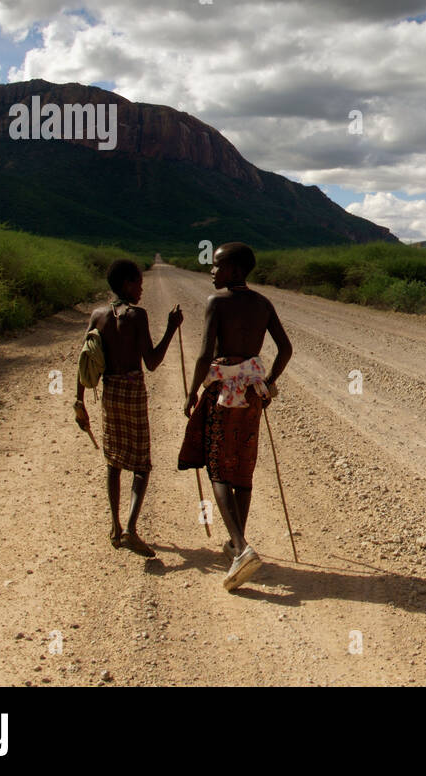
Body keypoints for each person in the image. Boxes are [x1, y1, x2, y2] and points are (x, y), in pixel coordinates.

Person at [179, 243, 292, 591]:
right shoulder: (262, 304)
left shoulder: (218, 303)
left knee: (216, 466)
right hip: (252, 394)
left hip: (223, 393)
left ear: (235, 270)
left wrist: (192, 391)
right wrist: (268, 383)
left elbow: (203, 355)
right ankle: (235, 544)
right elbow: (286, 348)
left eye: (217, 266)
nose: (212, 271)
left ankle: (241, 548)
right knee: (241, 466)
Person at [75, 259, 182, 557]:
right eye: (138, 283)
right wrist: (172, 328)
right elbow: (152, 362)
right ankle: (131, 529)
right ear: (126, 284)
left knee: (114, 462)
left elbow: (86, 359)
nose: (141, 289)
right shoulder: (137, 316)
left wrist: (78, 400)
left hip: (109, 393)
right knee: (141, 465)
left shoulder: (97, 316)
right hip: (133, 392)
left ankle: (114, 527)